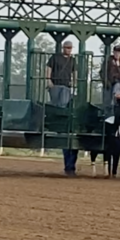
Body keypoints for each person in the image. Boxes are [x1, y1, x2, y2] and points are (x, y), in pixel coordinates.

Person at [46, 40, 78, 176]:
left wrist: (75, 84)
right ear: (63, 48)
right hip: (55, 85)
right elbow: (48, 69)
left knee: (63, 106)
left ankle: (61, 125)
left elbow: (75, 72)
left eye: (70, 48)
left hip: (66, 86)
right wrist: (48, 80)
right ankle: (55, 125)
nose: (68, 50)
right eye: (66, 47)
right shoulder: (55, 57)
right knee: (55, 106)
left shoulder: (73, 60)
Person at [101, 45, 120, 115]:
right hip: (110, 84)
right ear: (113, 52)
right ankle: (107, 117)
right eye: (115, 52)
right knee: (108, 103)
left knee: (118, 101)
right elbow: (103, 72)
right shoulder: (108, 60)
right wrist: (106, 82)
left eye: (118, 52)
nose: (117, 54)